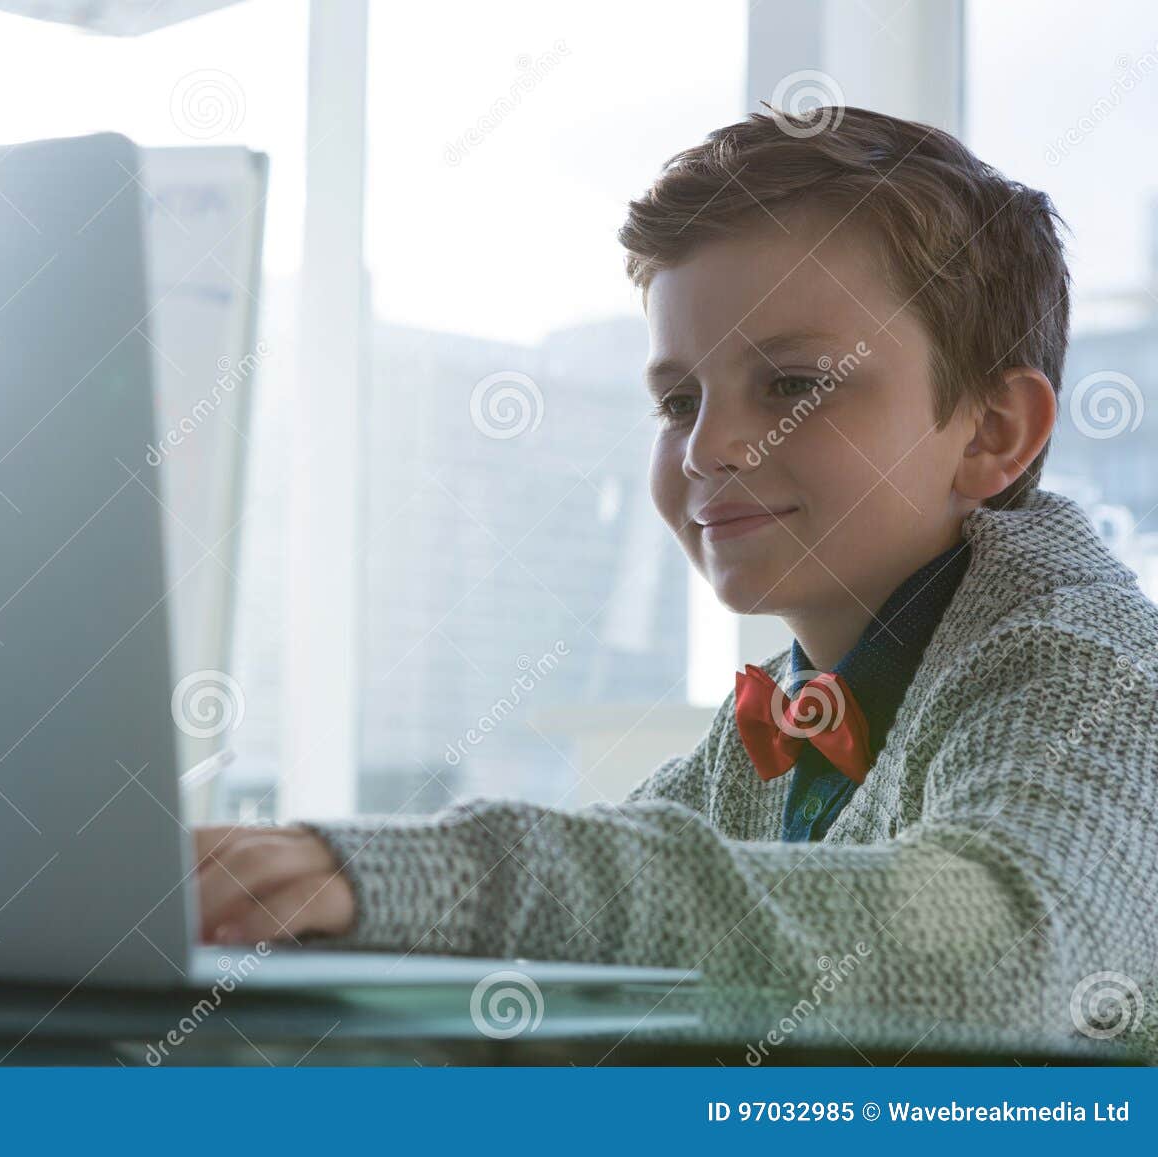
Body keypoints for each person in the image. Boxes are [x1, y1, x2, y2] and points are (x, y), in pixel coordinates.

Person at [194, 105, 1158, 1055]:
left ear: (993, 432)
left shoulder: (1089, 668)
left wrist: (429, 875)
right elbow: (623, 917)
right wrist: (290, 900)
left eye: (793, 385)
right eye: (678, 401)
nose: (708, 447)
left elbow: (1014, 948)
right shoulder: (782, 720)